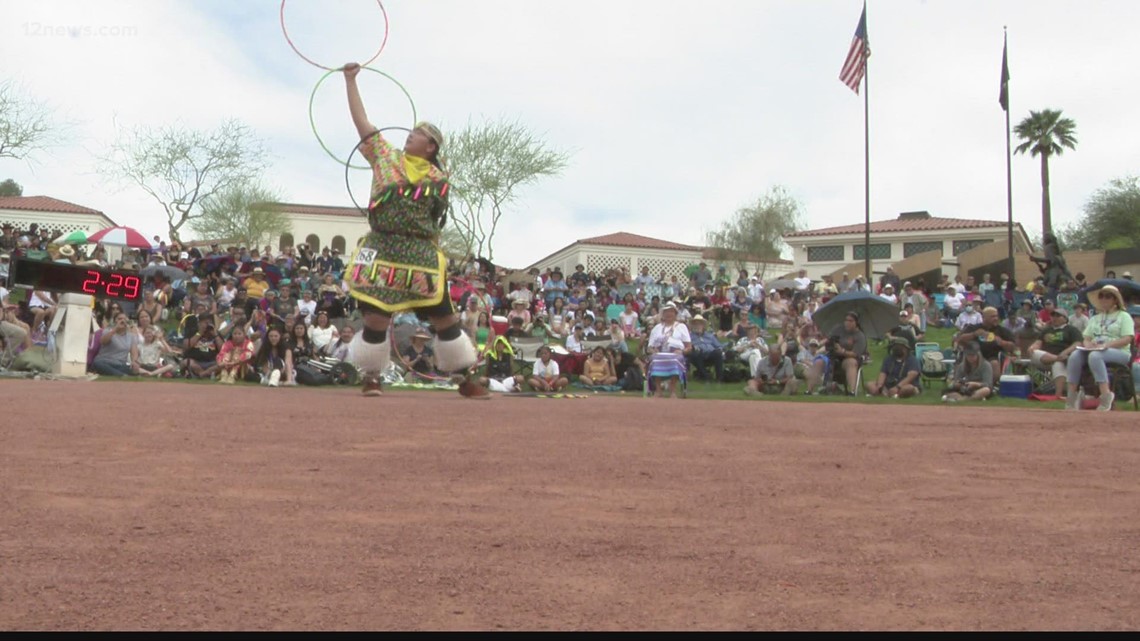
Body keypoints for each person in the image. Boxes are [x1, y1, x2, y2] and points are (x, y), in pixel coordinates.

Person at [340, 62, 485, 399]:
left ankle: (465, 378)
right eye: (412, 131)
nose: (411, 134)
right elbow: (362, 124)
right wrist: (350, 81)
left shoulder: (438, 179)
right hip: (384, 248)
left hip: (420, 253)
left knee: (444, 318)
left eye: (419, 133)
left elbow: (435, 218)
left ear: (431, 146)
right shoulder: (384, 157)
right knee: (376, 316)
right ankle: (372, 376)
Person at [1065, 285, 1135, 411]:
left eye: (1107, 296)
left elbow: (1127, 339)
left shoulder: (1124, 316)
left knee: (1095, 356)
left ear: (1115, 300)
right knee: (1075, 356)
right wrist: (1088, 345)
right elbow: (1086, 337)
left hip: (1119, 352)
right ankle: (1071, 396)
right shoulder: (1095, 318)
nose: (1103, 299)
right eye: (1101, 296)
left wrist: (1106, 345)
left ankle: (1106, 395)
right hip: (1096, 350)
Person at [1028, 306, 1082, 395]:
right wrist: (1033, 347)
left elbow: (1078, 343)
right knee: (1034, 352)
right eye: (1053, 316)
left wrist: (1065, 352)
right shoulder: (1046, 330)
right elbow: (1038, 343)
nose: (1054, 318)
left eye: (1058, 316)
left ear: (1065, 318)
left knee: (1058, 364)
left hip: (1063, 358)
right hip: (1045, 359)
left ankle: (1058, 395)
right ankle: (1057, 358)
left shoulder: (1071, 330)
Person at [645, 302, 691, 398]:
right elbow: (649, 347)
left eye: (671, 312)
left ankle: (672, 389)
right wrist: (653, 351)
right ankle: (658, 390)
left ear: (675, 314)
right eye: (666, 312)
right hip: (659, 353)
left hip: (676, 353)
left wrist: (682, 351)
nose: (669, 314)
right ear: (663, 314)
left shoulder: (681, 327)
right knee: (655, 359)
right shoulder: (657, 328)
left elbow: (689, 347)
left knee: (675, 359)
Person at [955, 306, 1016, 376]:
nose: (996, 318)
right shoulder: (973, 328)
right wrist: (974, 334)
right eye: (992, 317)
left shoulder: (1002, 330)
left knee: (994, 364)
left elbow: (1013, 346)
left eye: (996, 316)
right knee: (964, 361)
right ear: (984, 317)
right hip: (972, 356)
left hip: (992, 358)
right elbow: (959, 340)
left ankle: (989, 385)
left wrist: (1001, 342)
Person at [826, 312, 867, 396]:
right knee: (820, 360)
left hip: (850, 359)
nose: (847, 322)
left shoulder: (860, 336)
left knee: (850, 362)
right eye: (846, 320)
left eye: (850, 321)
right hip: (834, 357)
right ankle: (809, 391)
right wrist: (832, 344)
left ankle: (852, 391)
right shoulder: (838, 329)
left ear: (856, 323)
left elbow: (856, 354)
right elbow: (829, 342)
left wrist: (842, 351)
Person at [92, 312, 141, 377]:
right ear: (115, 321)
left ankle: (118, 374)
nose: (122, 321)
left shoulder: (131, 336)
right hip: (105, 361)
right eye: (120, 319)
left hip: (120, 364)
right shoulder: (108, 331)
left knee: (131, 368)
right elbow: (103, 341)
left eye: (124, 319)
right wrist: (115, 329)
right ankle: (122, 375)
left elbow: (134, 352)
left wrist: (134, 362)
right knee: (98, 364)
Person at [687, 314, 725, 382]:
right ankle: (706, 376)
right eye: (695, 324)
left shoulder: (710, 336)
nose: (697, 326)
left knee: (718, 353)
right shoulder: (689, 337)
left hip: (710, 355)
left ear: (703, 326)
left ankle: (719, 378)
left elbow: (719, 346)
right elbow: (687, 347)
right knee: (695, 353)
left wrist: (720, 349)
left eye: (699, 324)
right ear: (692, 326)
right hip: (698, 355)